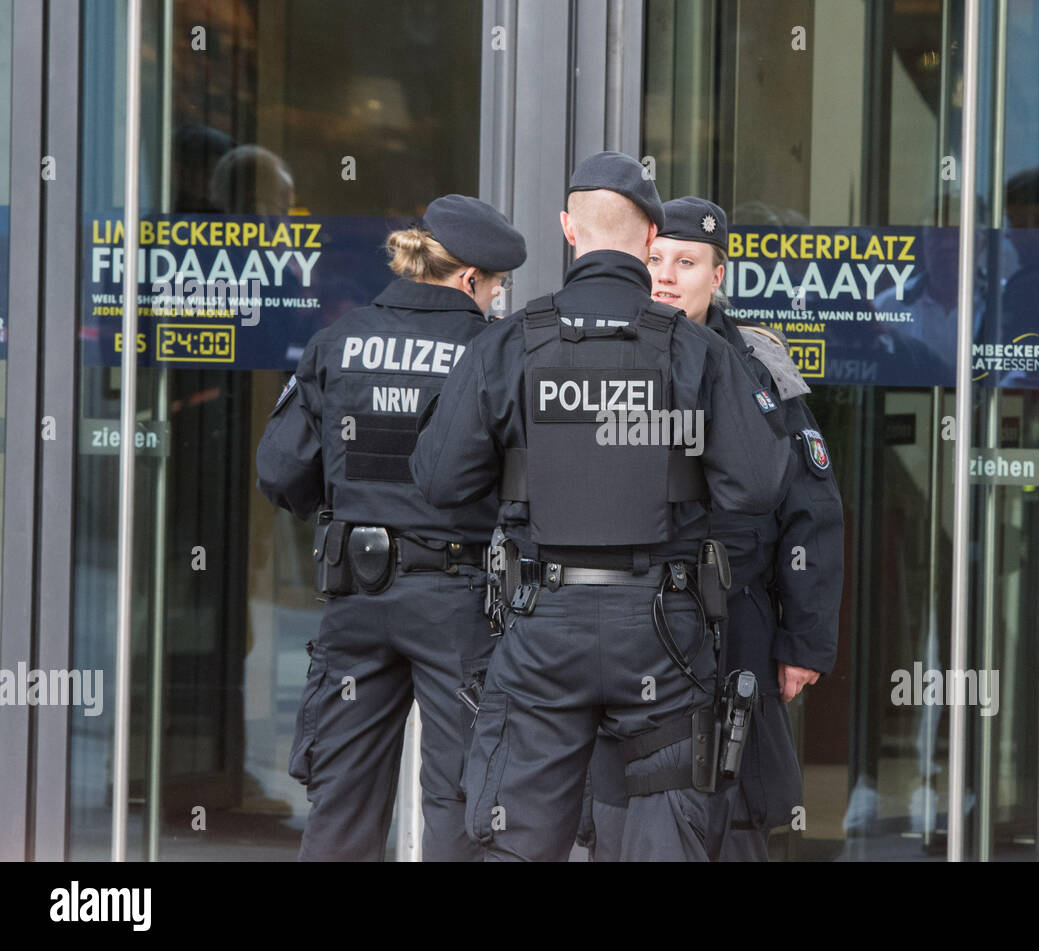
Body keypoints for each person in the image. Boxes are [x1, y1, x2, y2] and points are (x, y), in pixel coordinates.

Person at [410, 152, 791, 861]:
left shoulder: (509, 343)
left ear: (566, 230)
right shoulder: (698, 352)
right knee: (663, 843)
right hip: (663, 630)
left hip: (542, 627)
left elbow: (436, 479)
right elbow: (760, 486)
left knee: (516, 838)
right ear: (651, 239)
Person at [255, 195, 526, 861]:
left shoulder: (338, 340)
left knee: (343, 798)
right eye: (495, 286)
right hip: (457, 599)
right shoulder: (493, 351)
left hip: (357, 597)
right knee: (461, 797)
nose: (496, 299)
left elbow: (281, 471)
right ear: (468, 279)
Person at [585, 196, 845, 860]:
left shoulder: (758, 366)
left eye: (686, 262)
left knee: (734, 803)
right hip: (625, 616)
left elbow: (810, 513)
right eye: (655, 260)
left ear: (718, 273)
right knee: (624, 800)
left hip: (734, 619)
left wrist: (803, 643)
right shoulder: (599, 353)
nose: (667, 276)